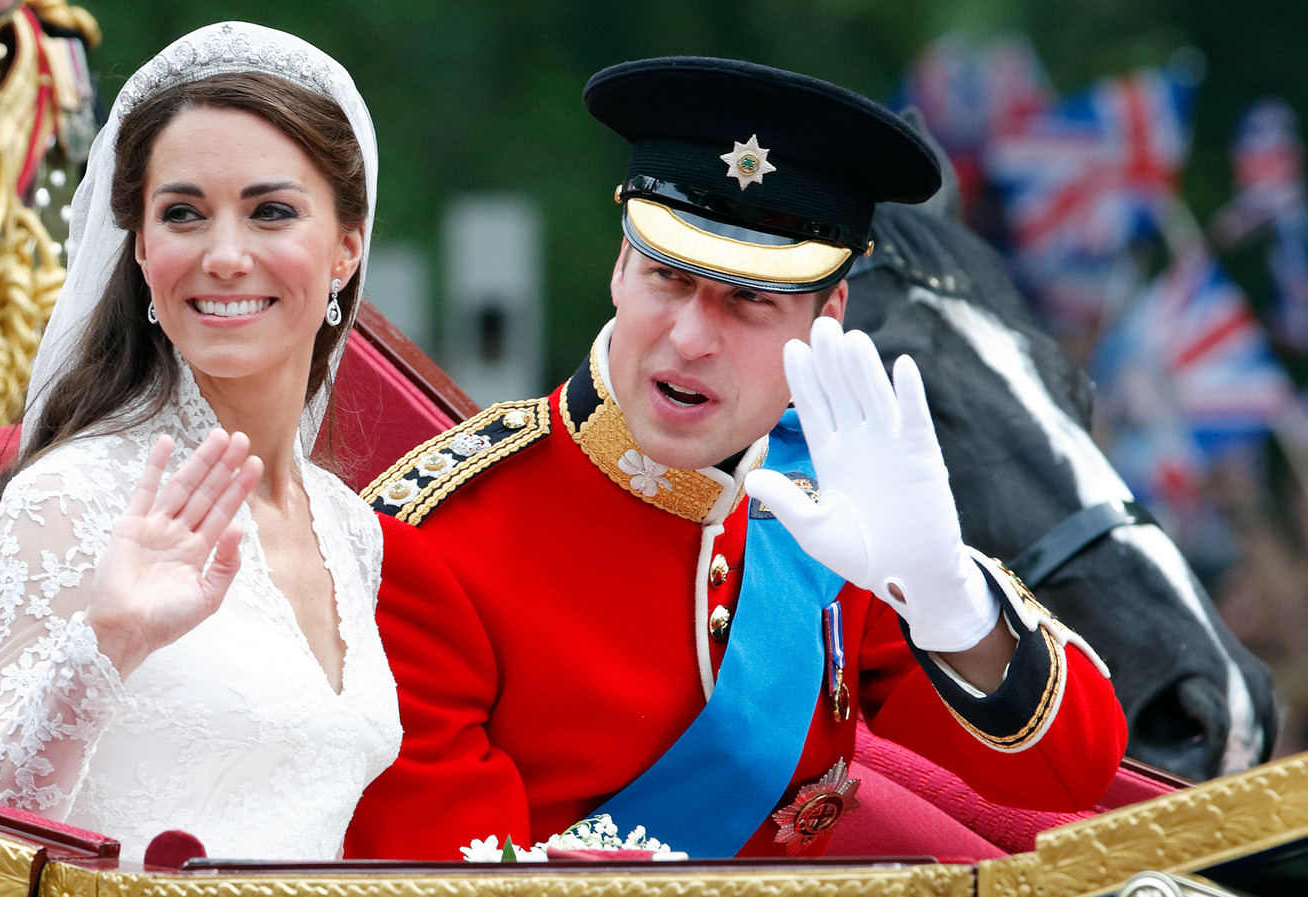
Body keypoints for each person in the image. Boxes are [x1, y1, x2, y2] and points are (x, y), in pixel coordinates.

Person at [344, 57, 1128, 860]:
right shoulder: (432, 540)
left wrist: (947, 596)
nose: (690, 338)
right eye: (668, 277)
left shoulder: (824, 514)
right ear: (621, 267)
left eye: (751, 301)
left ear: (830, 314)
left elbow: (1065, 776)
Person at [0, 22, 400, 861]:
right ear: (143, 248)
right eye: (183, 213)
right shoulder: (69, 498)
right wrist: (108, 643)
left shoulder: (351, 529)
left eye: (272, 213)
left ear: (345, 249)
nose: (224, 255)